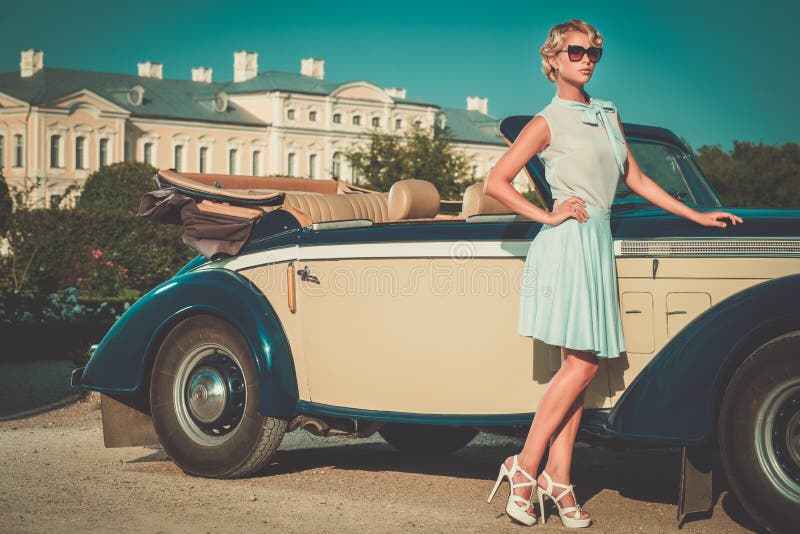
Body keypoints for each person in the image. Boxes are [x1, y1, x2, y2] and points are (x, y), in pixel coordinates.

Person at [483, 19, 743, 527]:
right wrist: (548, 214)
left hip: (596, 242)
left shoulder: (607, 114)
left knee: (581, 367)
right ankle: (523, 466)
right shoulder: (546, 121)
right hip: (567, 243)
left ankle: (559, 479)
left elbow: (635, 177)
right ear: (554, 60)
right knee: (579, 366)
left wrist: (695, 215)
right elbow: (497, 181)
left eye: (594, 53)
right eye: (576, 51)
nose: (586, 59)